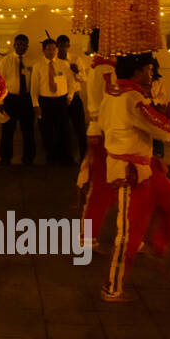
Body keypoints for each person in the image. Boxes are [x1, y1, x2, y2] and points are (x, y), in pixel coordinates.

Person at [97, 52, 170, 303]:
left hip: (143, 167)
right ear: (137, 72)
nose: (151, 73)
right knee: (126, 232)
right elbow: (164, 131)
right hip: (130, 172)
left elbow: (105, 125)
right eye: (147, 68)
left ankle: (156, 245)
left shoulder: (113, 94)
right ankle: (112, 287)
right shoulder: (131, 98)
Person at [77, 29, 116, 244]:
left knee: (107, 185)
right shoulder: (107, 69)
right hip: (106, 131)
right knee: (102, 185)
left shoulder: (96, 68)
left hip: (97, 128)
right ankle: (87, 235)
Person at [32, 38, 75, 165]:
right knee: (47, 131)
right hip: (45, 102)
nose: (51, 52)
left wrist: (70, 97)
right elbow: (34, 87)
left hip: (61, 101)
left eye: (53, 49)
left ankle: (66, 158)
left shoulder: (64, 64)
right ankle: (51, 158)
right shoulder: (37, 66)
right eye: (49, 49)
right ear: (43, 50)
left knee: (64, 130)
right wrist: (35, 103)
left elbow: (71, 82)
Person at [0, 34, 36, 165]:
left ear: (27, 46)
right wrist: (0, 102)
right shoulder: (6, 61)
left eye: (24, 44)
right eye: (19, 44)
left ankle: (28, 159)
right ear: (14, 45)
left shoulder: (31, 62)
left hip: (26, 98)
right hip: (10, 99)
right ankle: (5, 158)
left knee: (28, 130)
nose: (21, 47)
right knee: (7, 130)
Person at [59, 34, 88, 161]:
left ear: (68, 46)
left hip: (75, 98)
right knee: (64, 129)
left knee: (80, 128)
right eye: (61, 45)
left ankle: (84, 157)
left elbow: (85, 79)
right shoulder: (54, 61)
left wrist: (77, 72)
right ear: (57, 45)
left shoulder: (76, 59)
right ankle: (67, 158)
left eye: (66, 45)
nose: (63, 48)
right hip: (60, 98)